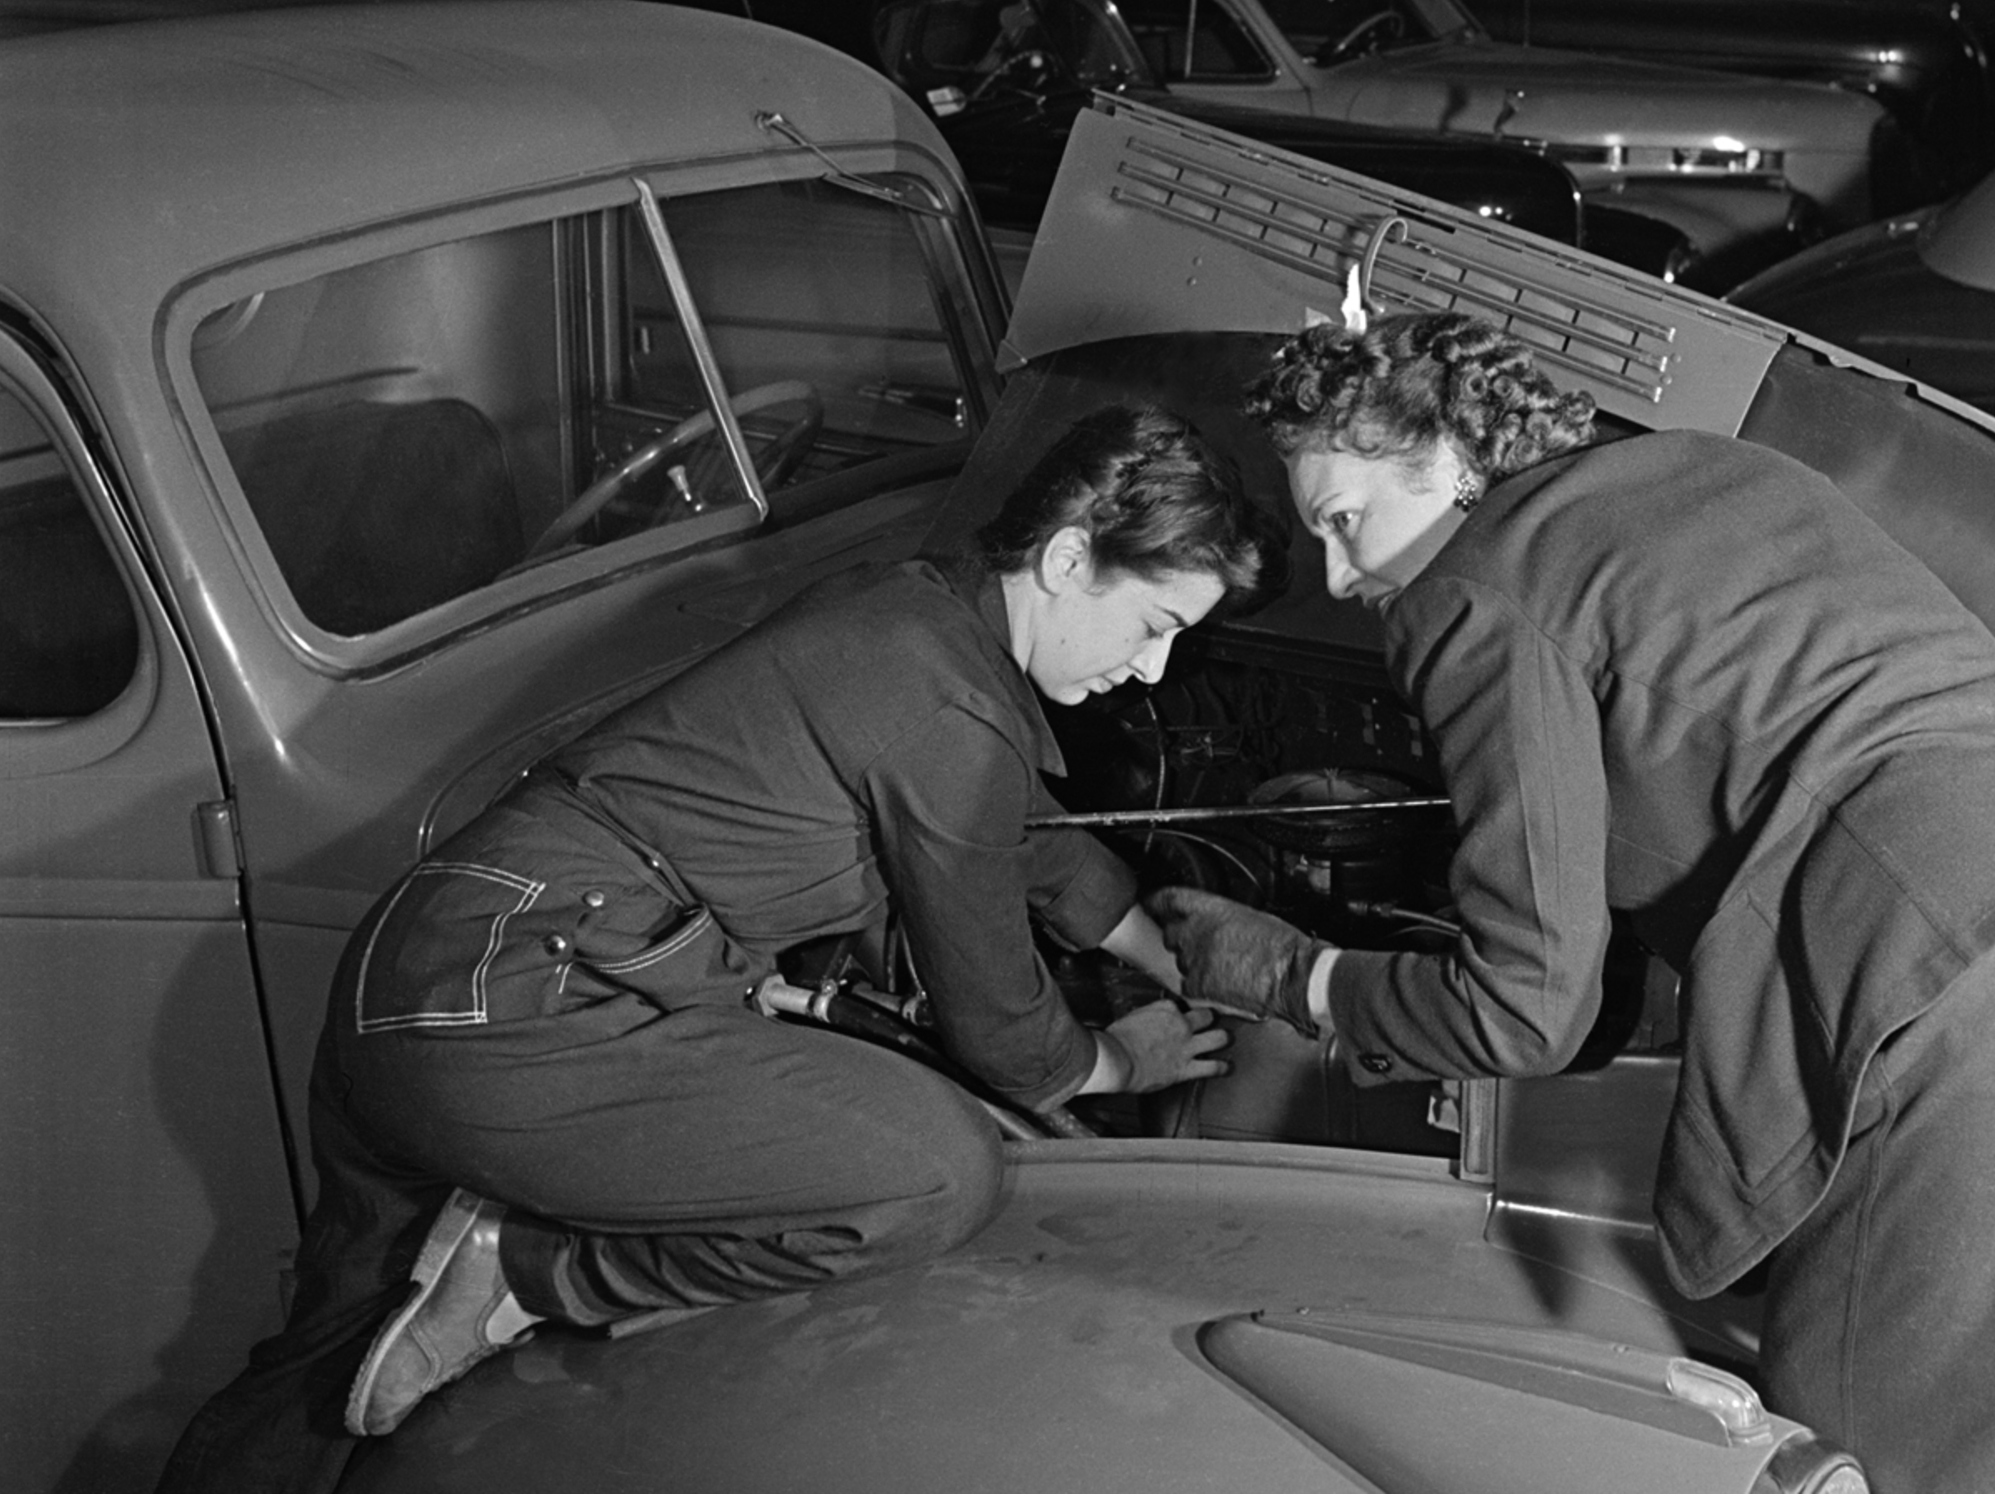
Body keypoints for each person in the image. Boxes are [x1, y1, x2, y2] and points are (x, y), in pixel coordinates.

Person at [1153, 312, 1995, 1494]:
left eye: (1344, 520)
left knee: (1876, 1465)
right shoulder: (1718, 470)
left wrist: (1296, 975)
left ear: (1448, 461)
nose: (1340, 578)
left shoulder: (1476, 585)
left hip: (1985, 971)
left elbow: (1523, 1006)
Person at [161, 403, 1265, 1492]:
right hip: (522, 1004)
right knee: (935, 1175)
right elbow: (1002, 1029)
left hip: (433, 969)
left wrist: (1167, 948)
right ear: (1069, 560)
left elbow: (1019, 837)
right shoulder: (948, 711)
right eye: (1154, 624)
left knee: (326, 1371)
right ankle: (525, 1267)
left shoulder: (918, 614)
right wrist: (1117, 1062)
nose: (1153, 669)